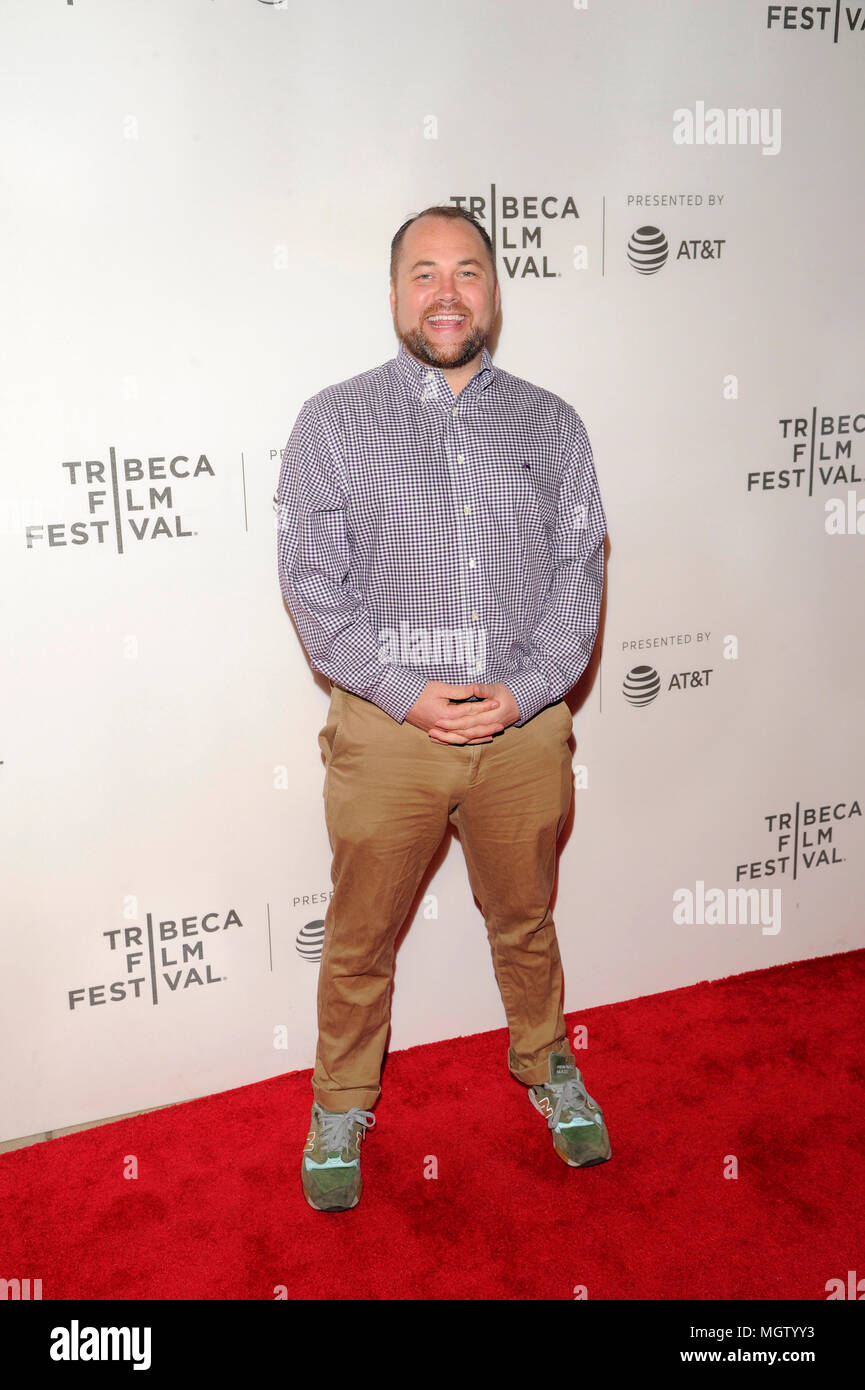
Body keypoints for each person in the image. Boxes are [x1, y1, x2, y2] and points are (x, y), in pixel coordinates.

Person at [277, 204, 611, 1212]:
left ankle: (548, 1065)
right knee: (360, 933)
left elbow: (579, 572)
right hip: (386, 736)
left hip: (523, 732)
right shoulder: (333, 420)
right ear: (393, 294)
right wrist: (405, 693)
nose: (447, 293)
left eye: (467, 271)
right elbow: (309, 579)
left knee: (525, 920)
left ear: (493, 289)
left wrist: (522, 691)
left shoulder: (551, 424)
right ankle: (341, 1100)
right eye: (423, 274)